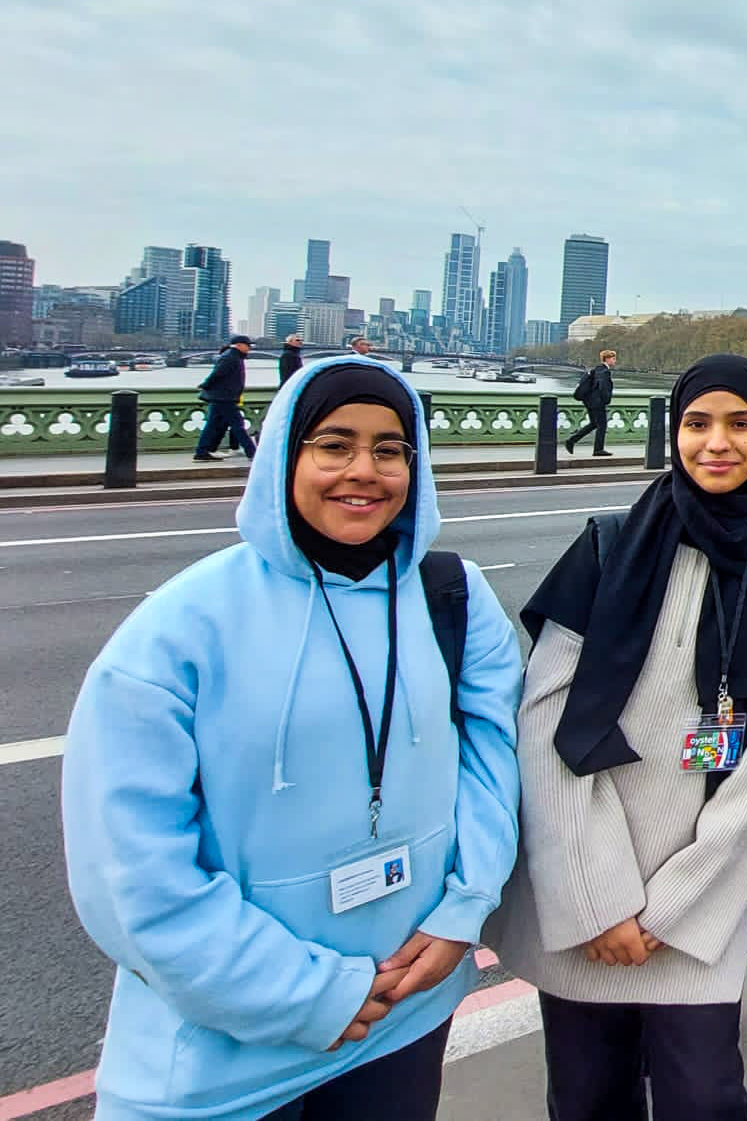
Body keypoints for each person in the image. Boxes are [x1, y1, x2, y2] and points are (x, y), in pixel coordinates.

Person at [63, 359, 523, 1121]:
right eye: (333, 444)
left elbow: (493, 759)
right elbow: (130, 870)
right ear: (285, 455)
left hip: (404, 1013)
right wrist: (306, 993)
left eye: (389, 449)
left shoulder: (457, 597)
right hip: (221, 1059)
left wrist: (462, 910)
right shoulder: (179, 630)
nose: (363, 471)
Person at [489, 356, 747, 1120]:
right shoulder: (607, 549)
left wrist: (671, 908)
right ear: (674, 431)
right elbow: (545, 729)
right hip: (582, 899)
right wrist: (598, 900)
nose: (717, 442)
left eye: (740, 423)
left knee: (704, 1098)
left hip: (693, 906)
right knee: (589, 1098)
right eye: (698, 423)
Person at [193, 333, 258, 461]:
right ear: (239, 345)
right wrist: (205, 384)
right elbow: (217, 374)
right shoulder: (230, 357)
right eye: (247, 346)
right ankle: (253, 453)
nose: (249, 348)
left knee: (214, 425)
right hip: (224, 397)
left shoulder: (233, 356)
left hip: (222, 397)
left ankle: (204, 451)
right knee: (238, 425)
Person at [566, 349, 618, 455]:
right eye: (613, 358)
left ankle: (571, 441)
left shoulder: (596, 369)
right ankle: (598, 450)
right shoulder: (605, 371)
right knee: (602, 425)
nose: (615, 361)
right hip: (597, 403)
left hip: (589, 401)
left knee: (594, 423)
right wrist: (606, 399)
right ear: (607, 359)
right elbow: (602, 387)